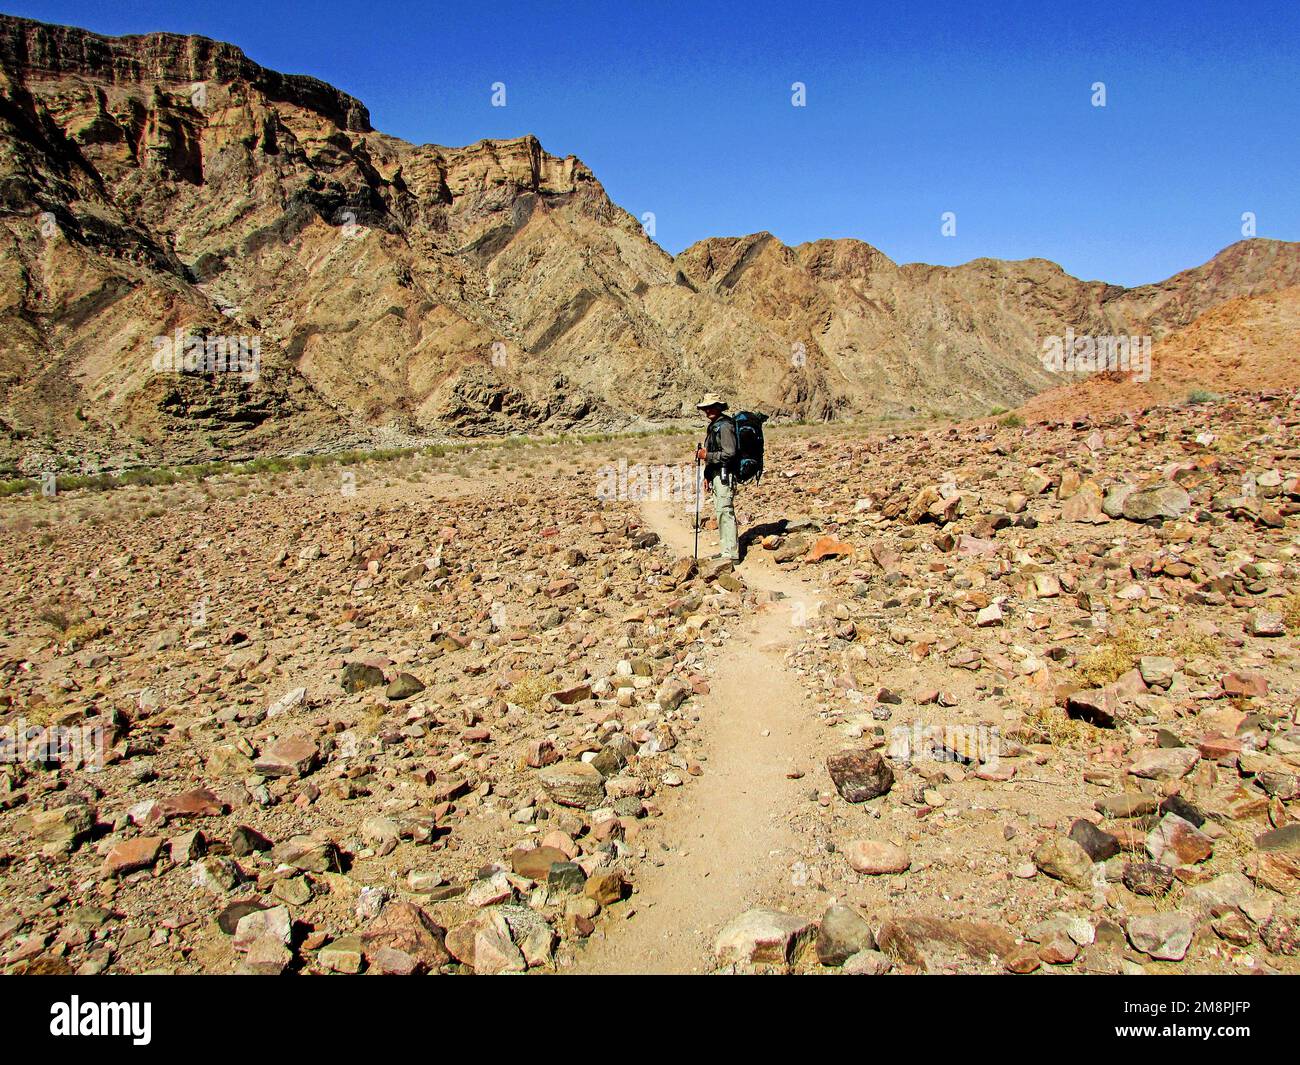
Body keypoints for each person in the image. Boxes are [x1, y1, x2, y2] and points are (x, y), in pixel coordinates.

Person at [694, 393, 739, 562]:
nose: (708, 410)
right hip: (717, 475)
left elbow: (730, 453)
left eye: (712, 406)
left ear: (719, 407)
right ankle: (726, 550)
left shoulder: (725, 426)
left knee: (725, 512)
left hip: (725, 475)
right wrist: (707, 475)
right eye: (706, 407)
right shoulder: (714, 426)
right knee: (721, 512)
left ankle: (731, 554)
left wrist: (707, 456)